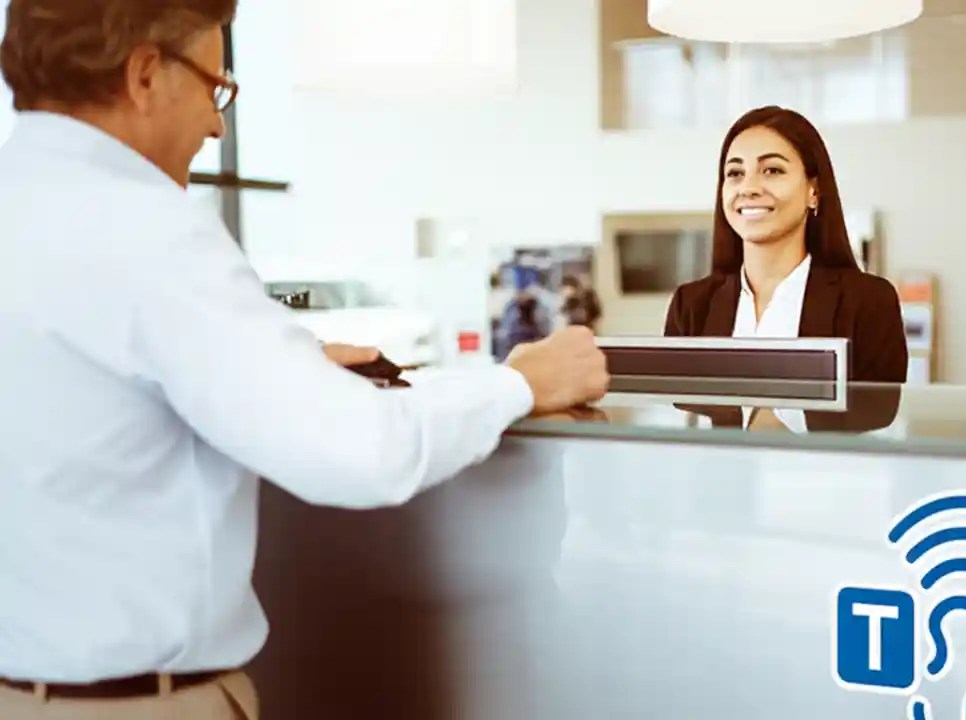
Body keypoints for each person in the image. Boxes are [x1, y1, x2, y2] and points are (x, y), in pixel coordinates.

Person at [0, 2, 608, 718]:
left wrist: (280, 366)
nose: (216, 124)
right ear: (144, 75)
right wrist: (518, 384)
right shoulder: (149, 229)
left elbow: (85, 395)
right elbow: (362, 451)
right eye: (215, 88)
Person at [663, 106, 908, 389]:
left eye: (772, 170)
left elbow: (877, 419)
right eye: (735, 173)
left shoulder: (869, 303)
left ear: (813, 191)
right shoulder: (691, 306)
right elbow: (680, 418)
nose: (749, 187)